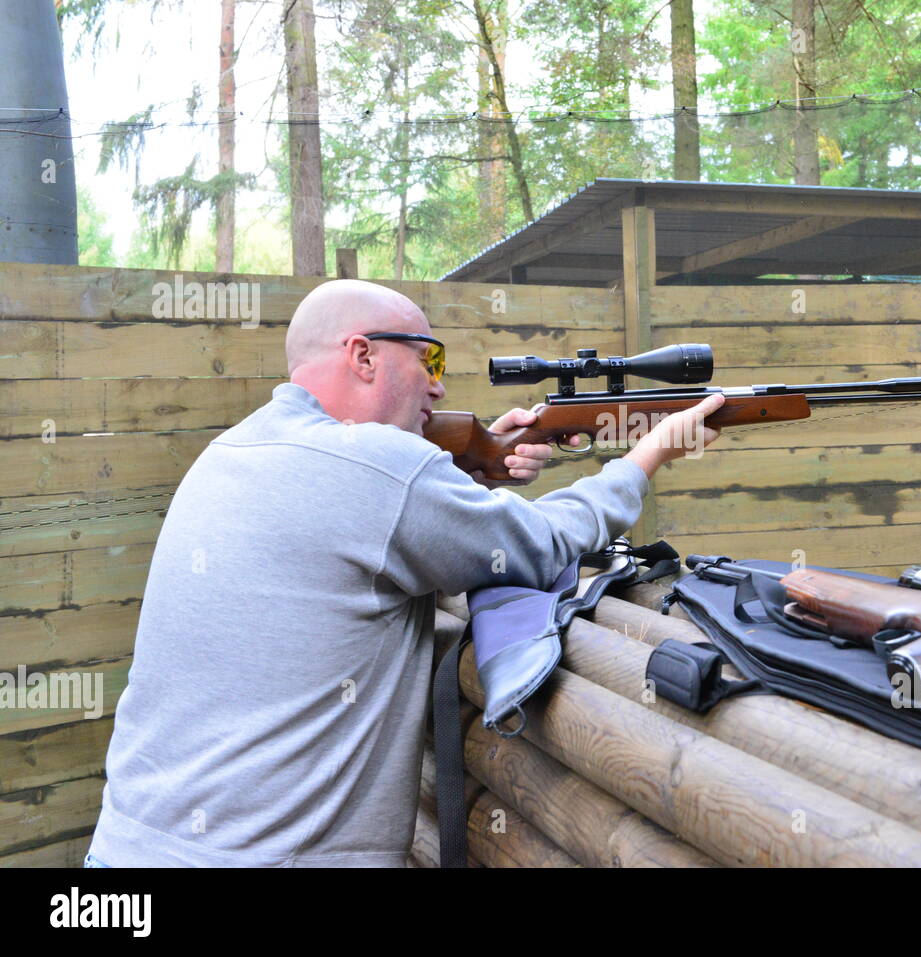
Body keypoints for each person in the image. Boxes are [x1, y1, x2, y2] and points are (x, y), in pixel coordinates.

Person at [85, 279, 723, 867]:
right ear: (363, 355)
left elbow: (360, 518)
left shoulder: (232, 449)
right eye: (430, 358)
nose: (439, 386)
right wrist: (648, 453)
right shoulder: (382, 466)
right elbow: (543, 543)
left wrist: (468, 474)